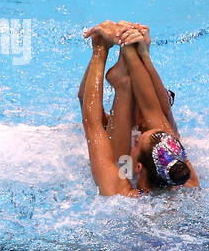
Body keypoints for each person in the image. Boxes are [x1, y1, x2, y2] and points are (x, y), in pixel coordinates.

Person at [78, 20, 199, 196]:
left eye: (138, 141)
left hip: (126, 167)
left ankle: (124, 81)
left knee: (120, 162)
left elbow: (92, 123)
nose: (135, 137)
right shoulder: (186, 181)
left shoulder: (119, 195)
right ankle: (125, 79)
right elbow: (154, 110)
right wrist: (137, 51)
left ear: (139, 167)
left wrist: (99, 49)